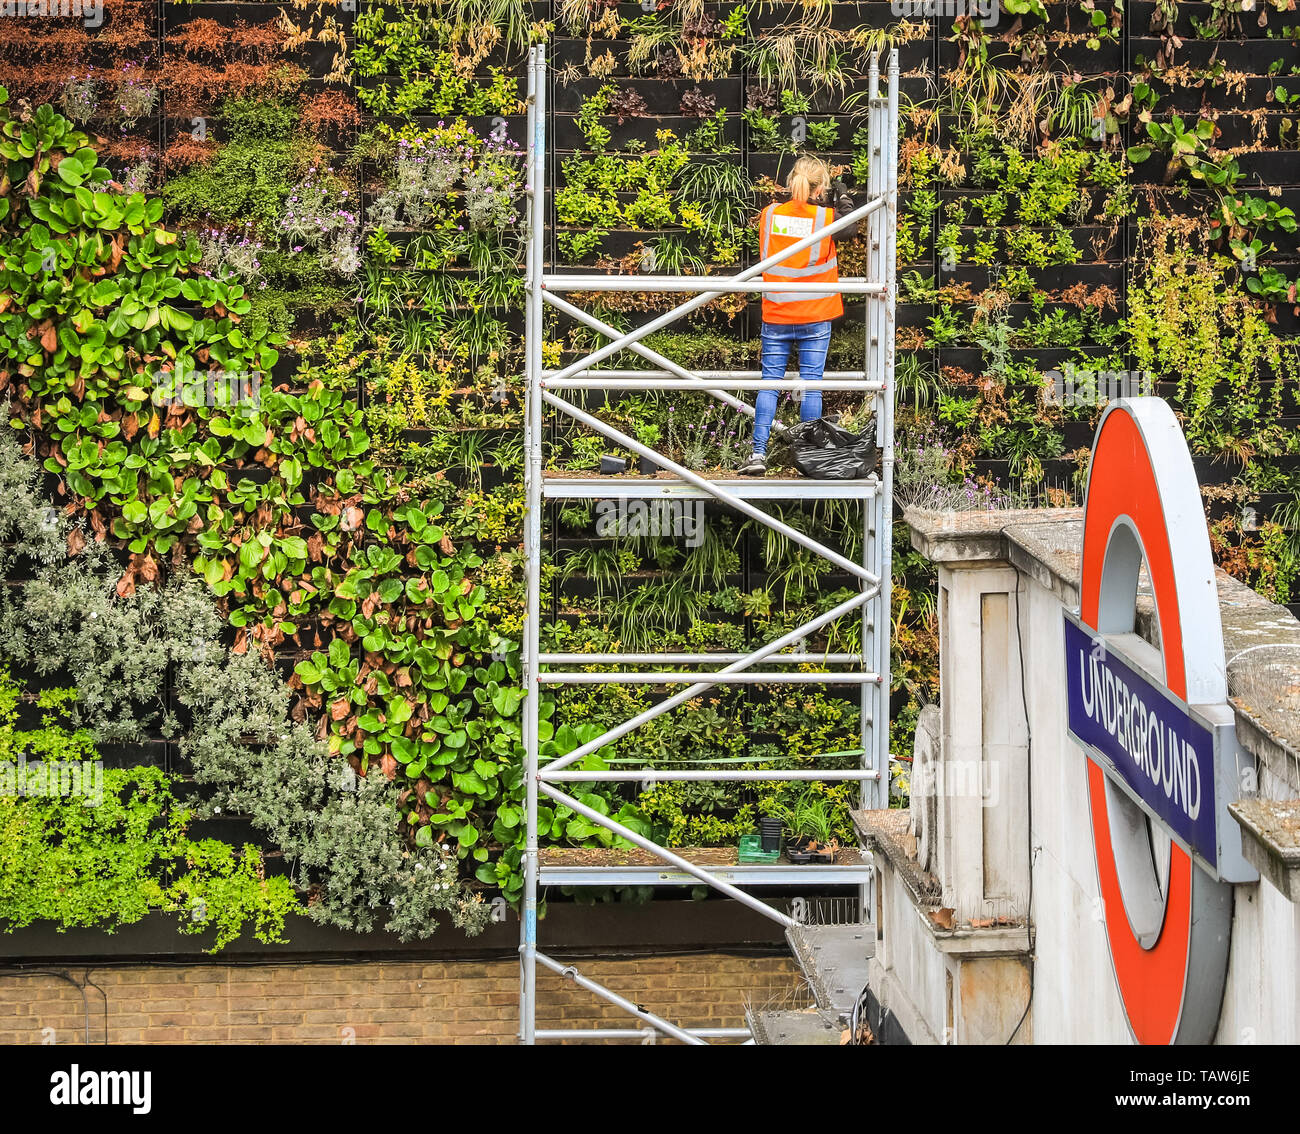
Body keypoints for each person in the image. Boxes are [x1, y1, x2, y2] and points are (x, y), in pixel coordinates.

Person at [738, 155, 859, 476]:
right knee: (811, 385)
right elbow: (852, 226)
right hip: (815, 314)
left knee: (769, 384)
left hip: (777, 312)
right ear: (820, 189)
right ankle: (808, 457)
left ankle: (758, 454)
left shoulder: (769, 214)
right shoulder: (826, 218)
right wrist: (843, 195)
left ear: (792, 181)